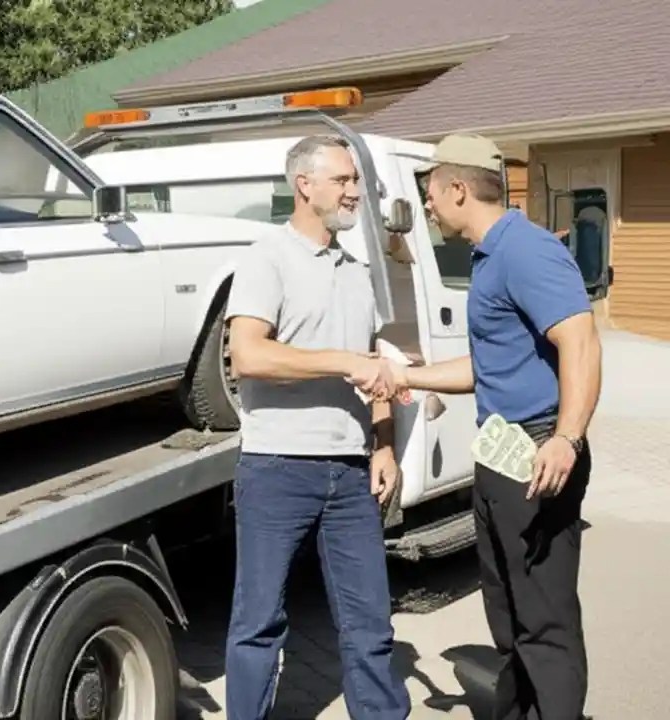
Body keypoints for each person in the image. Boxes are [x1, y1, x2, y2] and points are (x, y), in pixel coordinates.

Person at [382, 133, 602, 720]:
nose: (426, 206)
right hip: (500, 455)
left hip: (538, 450)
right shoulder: (487, 256)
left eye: (430, 192)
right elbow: (490, 364)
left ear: (458, 189)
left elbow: (579, 339)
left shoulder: (525, 251)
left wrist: (567, 438)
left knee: (544, 618)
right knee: (508, 611)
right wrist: (416, 377)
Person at [223, 134, 410, 720]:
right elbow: (248, 356)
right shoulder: (266, 256)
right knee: (258, 624)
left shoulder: (357, 270)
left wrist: (384, 446)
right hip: (278, 468)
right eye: (345, 181)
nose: (356, 192)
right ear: (305, 185)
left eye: (357, 182)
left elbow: (374, 364)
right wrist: (341, 360)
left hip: (352, 475)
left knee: (371, 624)